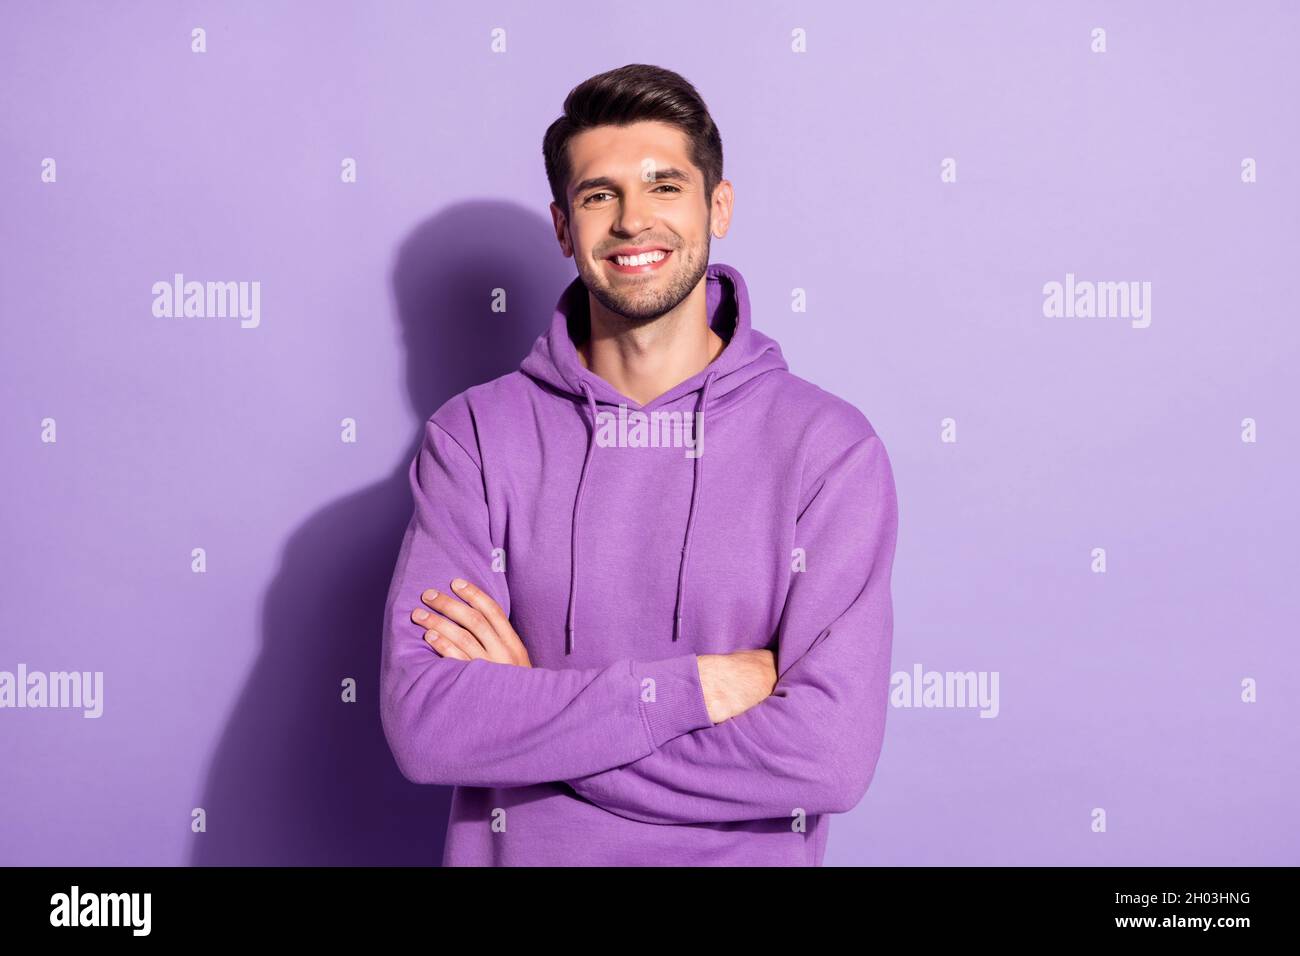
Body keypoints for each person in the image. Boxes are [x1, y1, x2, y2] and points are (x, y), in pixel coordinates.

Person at [379, 63, 899, 866]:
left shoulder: (827, 449)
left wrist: (536, 716)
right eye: (599, 195)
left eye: (665, 186)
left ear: (717, 204)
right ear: (563, 227)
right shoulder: (475, 439)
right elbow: (427, 726)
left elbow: (826, 758)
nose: (632, 221)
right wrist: (692, 692)